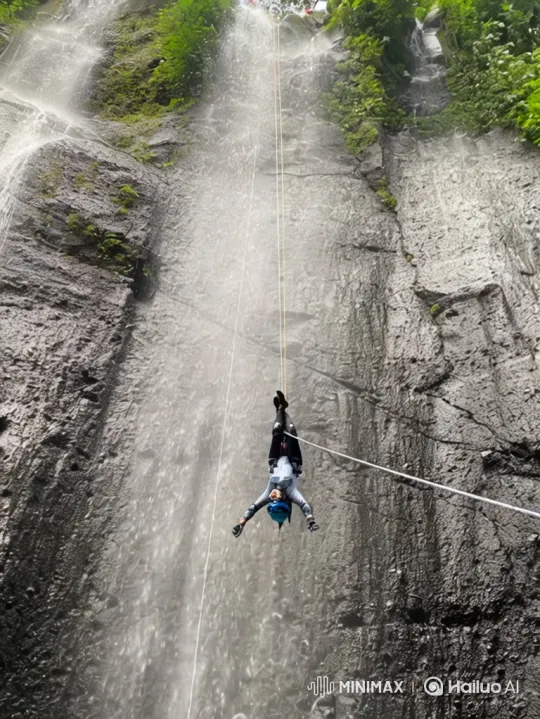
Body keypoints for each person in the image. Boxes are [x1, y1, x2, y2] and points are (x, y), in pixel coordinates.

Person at [232, 391, 319, 537]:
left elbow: (254, 507)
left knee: (278, 430)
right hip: (293, 458)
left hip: (275, 458)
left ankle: (280, 408)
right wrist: (310, 520)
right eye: (276, 499)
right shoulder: (291, 493)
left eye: (271, 500)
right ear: (284, 499)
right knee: (290, 430)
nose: (272, 496)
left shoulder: (269, 493)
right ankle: (282, 407)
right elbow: (304, 505)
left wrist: (242, 523)